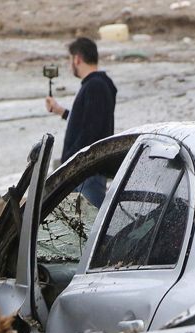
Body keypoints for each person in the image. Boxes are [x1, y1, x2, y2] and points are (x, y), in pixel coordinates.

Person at [44, 36, 117, 207]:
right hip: (87, 172)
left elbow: (90, 132)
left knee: (87, 228)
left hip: (87, 174)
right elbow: (88, 122)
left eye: (70, 60)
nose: (70, 65)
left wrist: (69, 167)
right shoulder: (100, 84)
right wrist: (60, 111)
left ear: (77, 59)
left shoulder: (95, 86)